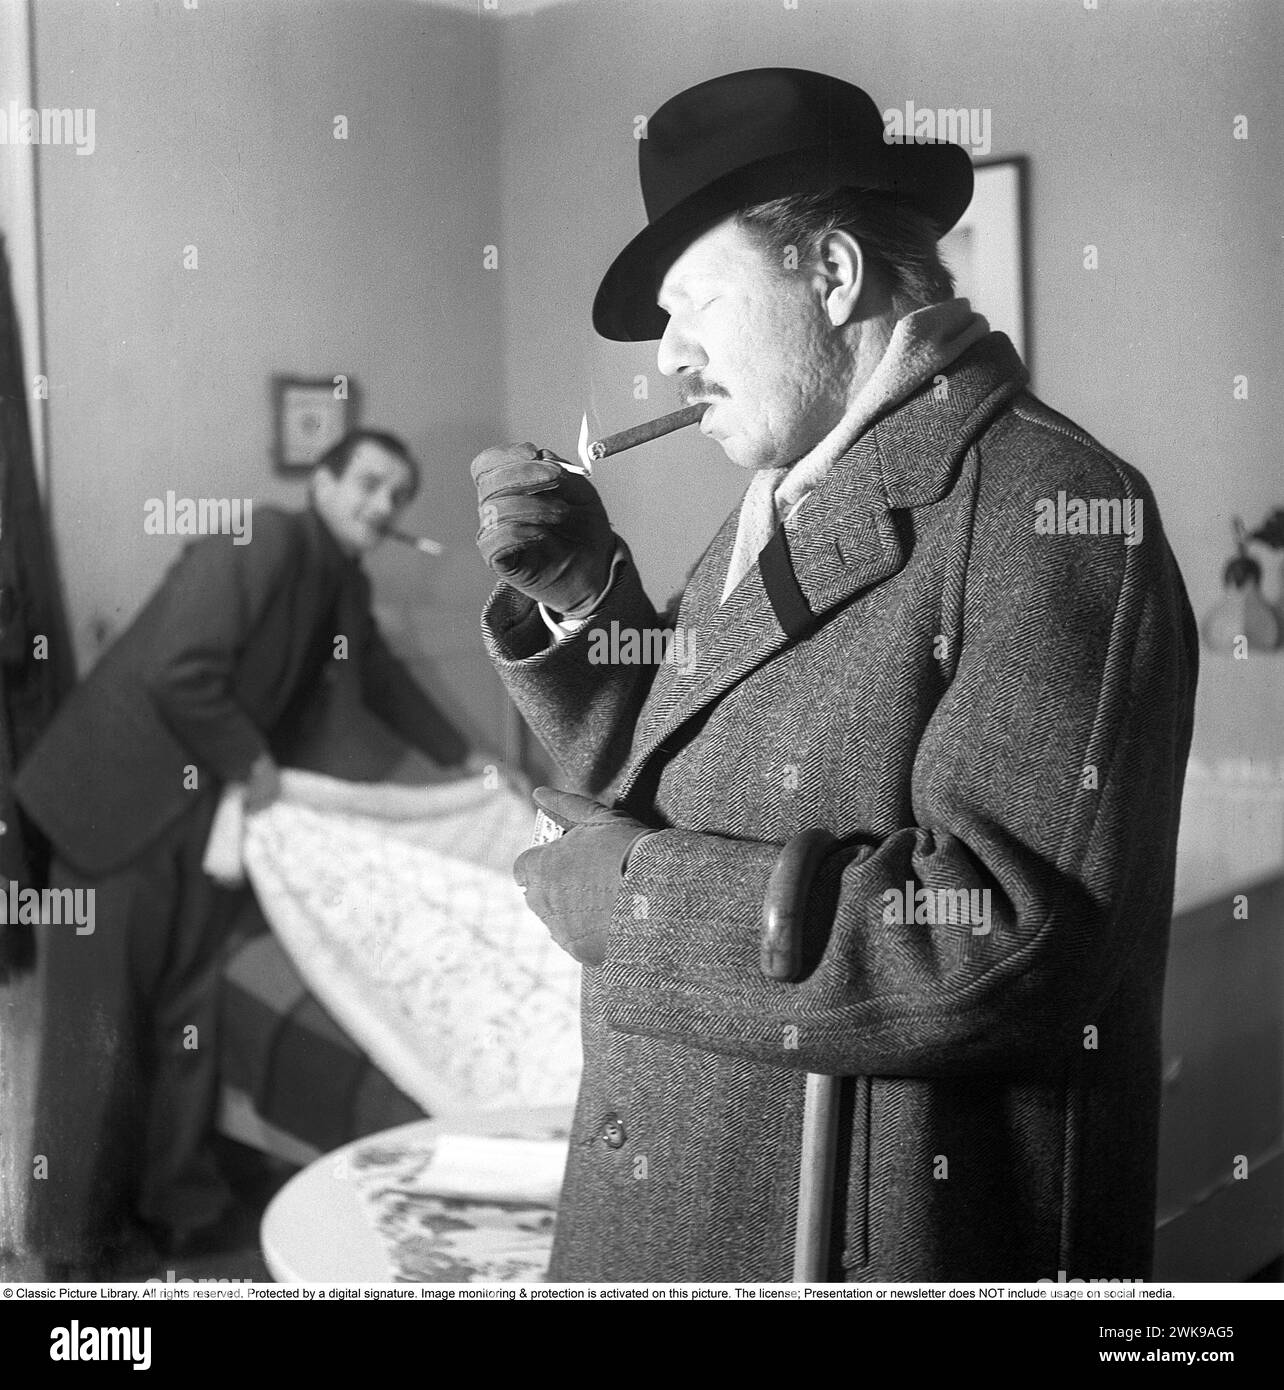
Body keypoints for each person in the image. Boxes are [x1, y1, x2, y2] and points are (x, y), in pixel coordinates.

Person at [471, 68, 1199, 1282]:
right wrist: (587, 596)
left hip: (854, 1241)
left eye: (693, 302)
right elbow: (671, 786)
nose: (670, 358)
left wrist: (639, 901)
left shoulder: (1054, 511)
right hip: (712, 1198)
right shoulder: (786, 498)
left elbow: (1003, 939)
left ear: (835, 273)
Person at [17, 428, 470, 1276]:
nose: (383, 506)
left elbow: (378, 681)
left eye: (399, 497)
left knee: (186, 1018)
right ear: (322, 482)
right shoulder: (262, 537)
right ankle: (68, 1246)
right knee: (96, 1025)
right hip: (117, 806)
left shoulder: (341, 582)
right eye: (370, 483)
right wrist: (253, 760)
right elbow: (179, 671)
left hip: (206, 819)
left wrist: (474, 764)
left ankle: (176, 1204)